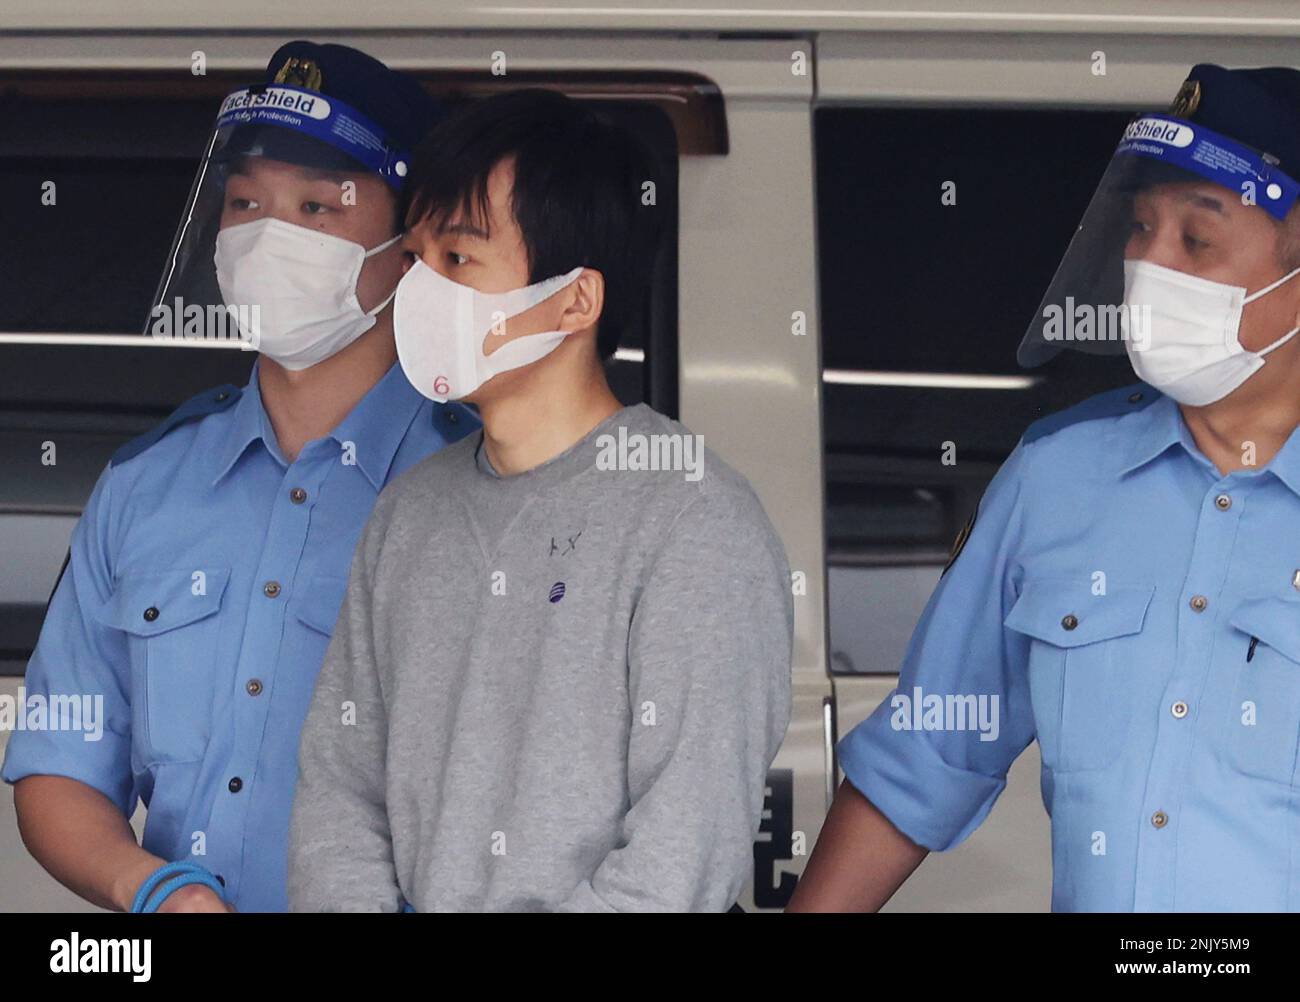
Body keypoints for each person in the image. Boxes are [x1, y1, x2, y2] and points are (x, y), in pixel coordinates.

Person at [789, 64, 1300, 912]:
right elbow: (925, 759)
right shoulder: (1057, 475)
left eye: (1196, 240)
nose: (1149, 266)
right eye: (1139, 230)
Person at [287, 89, 792, 912]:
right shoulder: (407, 517)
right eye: (415, 260)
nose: (420, 290)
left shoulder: (695, 520)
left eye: (458, 260)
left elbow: (678, 856)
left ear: (574, 300)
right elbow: (339, 791)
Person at [2, 40, 478, 913]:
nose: (270, 234)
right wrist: (155, 891)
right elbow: (61, 763)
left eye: (316, 204)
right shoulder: (146, 485)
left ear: (415, 241)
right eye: (246, 202)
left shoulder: (480, 485)